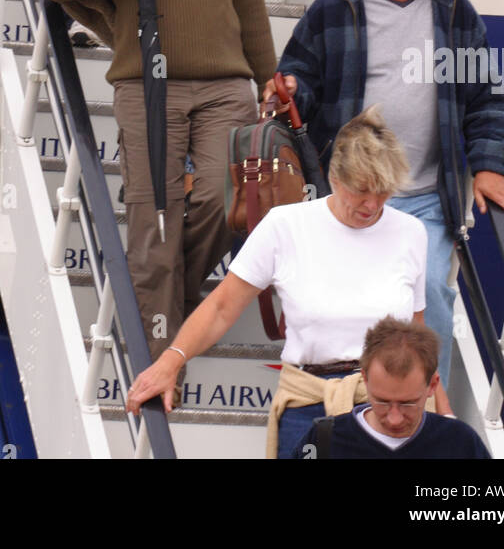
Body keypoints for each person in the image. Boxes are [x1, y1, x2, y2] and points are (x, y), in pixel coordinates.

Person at [19, 0, 277, 361]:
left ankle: (162, 312)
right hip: (144, 84)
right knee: (153, 214)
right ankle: (158, 349)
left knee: (220, 197)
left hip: (224, 84)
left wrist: (271, 80)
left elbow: (250, 2)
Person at [277, 0, 504, 388]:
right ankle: (355, 414)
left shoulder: (454, 13)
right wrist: (291, 88)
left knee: (428, 294)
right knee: (350, 311)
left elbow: (487, 97)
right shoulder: (334, 9)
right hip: (349, 199)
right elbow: (298, 75)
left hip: (428, 198)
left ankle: (427, 418)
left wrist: (489, 167)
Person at [126, 106, 445, 458]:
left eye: (383, 192)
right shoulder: (286, 225)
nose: (372, 204)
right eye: (361, 191)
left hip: (394, 408)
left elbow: (418, 337)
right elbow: (221, 306)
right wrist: (169, 362)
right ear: (335, 179)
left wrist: (444, 416)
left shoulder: (411, 232)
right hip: (309, 403)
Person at [297, 317, 490, 459]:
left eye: (408, 403)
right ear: (365, 379)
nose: (394, 419)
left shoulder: (461, 444)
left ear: (432, 385)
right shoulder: (322, 440)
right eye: (382, 401)